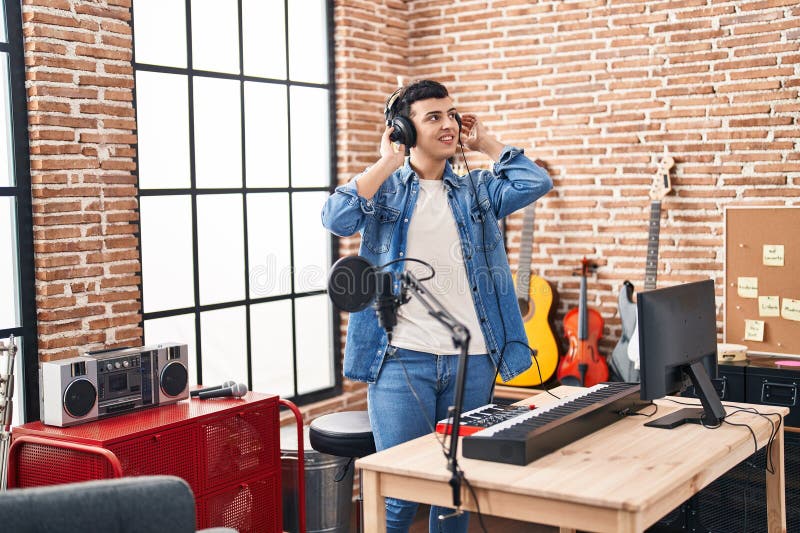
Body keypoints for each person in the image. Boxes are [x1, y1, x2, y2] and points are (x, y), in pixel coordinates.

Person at [321, 80, 552, 532]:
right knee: (401, 495)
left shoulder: (477, 191)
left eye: (451, 114)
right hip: (402, 359)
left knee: (453, 494)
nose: (448, 124)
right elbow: (336, 218)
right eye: (434, 117)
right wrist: (388, 161)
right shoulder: (386, 193)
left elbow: (535, 180)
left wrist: (483, 141)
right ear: (404, 129)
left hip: (474, 361)